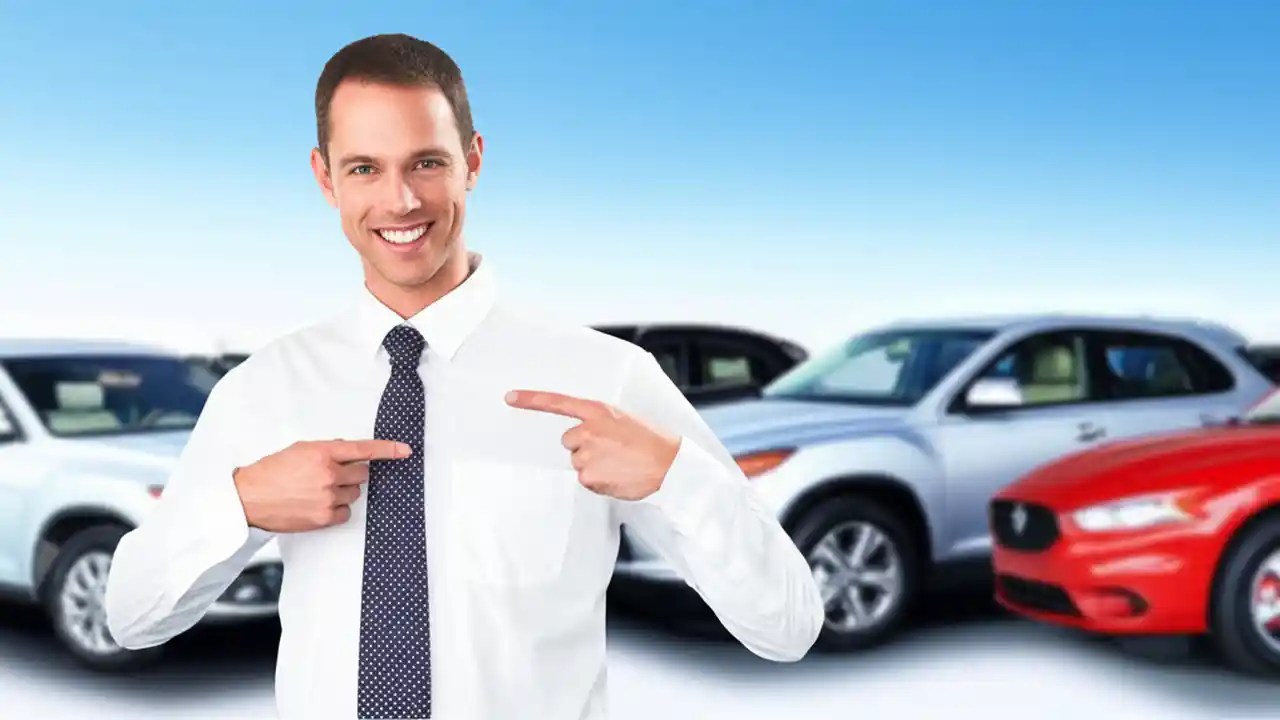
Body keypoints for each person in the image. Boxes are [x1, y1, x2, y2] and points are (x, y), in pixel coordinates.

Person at [104, 33, 824, 719]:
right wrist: (242, 503)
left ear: (472, 160)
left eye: (426, 162)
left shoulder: (606, 379)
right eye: (365, 168)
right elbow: (132, 618)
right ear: (325, 178)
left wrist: (674, 477)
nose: (401, 201)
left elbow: (788, 625)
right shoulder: (262, 391)